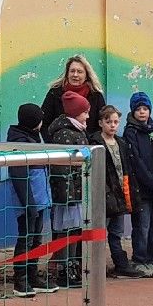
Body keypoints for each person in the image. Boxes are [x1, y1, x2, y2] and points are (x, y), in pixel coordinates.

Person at [44, 91, 91, 289]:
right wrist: (68, 194)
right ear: (76, 113)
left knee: (74, 230)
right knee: (66, 231)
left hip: (78, 190)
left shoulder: (77, 130)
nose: (88, 116)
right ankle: (64, 269)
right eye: (85, 112)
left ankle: (72, 265)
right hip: (69, 193)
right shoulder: (65, 133)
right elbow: (62, 167)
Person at [7, 103, 53, 296]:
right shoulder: (19, 142)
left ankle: (33, 275)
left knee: (36, 239)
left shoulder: (34, 137)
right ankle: (20, 280)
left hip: (40, 198)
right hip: (28, 200)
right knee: (25, 239)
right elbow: (18, 175)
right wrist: (29, 203)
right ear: (34, 122)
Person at [123, 93, 153, 276]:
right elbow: (136, 162)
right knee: (142, 226)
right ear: (133, 111)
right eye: (139, 109)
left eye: (145, 109)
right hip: (141, 188)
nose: (142, 112)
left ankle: (150, 258)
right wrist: (151, 182)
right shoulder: (130, 132)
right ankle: (139, 259)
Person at [97, 105, 141, 280]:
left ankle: (121, 264)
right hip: (103, 194)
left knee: (116, 232)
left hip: (120, 193)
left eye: (115, 122)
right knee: (99, 232)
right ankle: (96, 266)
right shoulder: (95, 142)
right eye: (108, 122)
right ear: (101, 123)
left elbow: (125, 169)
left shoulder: (121, 143)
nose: (112, 125)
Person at [39, 56, 106, 136]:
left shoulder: (95, 95)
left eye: (80, 72)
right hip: (58, 144)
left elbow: (102, 123)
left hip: (89, 145)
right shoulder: (55, 93)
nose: (75, 75)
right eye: (72, 71)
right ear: (67, 74)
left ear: (86, 76)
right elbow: (44, 122)